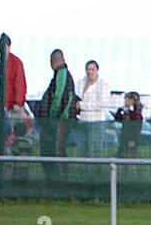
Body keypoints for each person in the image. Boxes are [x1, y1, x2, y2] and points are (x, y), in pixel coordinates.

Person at [38, 49, 76, 178]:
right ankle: (54, 177)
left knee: (58, 149)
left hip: (59, 122)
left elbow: (58, 98)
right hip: (57, 122)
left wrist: (53, 118)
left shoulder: (62, 74)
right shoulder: (59, 75)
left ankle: (61, 179)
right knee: (54, 149)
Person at [76, 59, 111, 157]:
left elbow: (102, 103)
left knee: (94, 150)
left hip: (96, 122)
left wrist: (83, 105)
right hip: (81, 121)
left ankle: (95, 171)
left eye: (92, 69)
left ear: (97, 70)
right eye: (88, 69)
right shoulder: (80, 82)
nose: (89, 72)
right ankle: (83, 171)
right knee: (81, 150)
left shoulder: (103, 84)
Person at [0, 33, 28, 140]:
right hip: (1, 106)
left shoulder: (16, 63)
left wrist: (18, 102)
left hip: (12, 107)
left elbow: (20, 83)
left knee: (13, 132)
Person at [114, 91, 143, 159]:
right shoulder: (127, 112)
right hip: (124, 138)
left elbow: (136, 128)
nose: (125, 101)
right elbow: (118, 119)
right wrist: (120, 110)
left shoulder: (136, 113)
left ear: (132, 100)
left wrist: (132, 139)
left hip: (131, 139)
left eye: (127, 99)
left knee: (131, 156)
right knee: (121, 156)